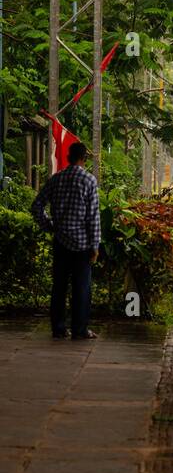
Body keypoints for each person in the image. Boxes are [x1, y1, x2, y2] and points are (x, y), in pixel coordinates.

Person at [31, 141, 100, 340]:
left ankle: (58, 328)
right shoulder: (89, 181)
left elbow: (36, 206)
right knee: (81, 289)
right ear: (83, 159)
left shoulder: (56, 179)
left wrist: (50, 226)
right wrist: (95, 245)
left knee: (59, 287)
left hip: (60, 242)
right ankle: (79, 330)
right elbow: (93, 216)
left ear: (69, 157)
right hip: (82, 245)